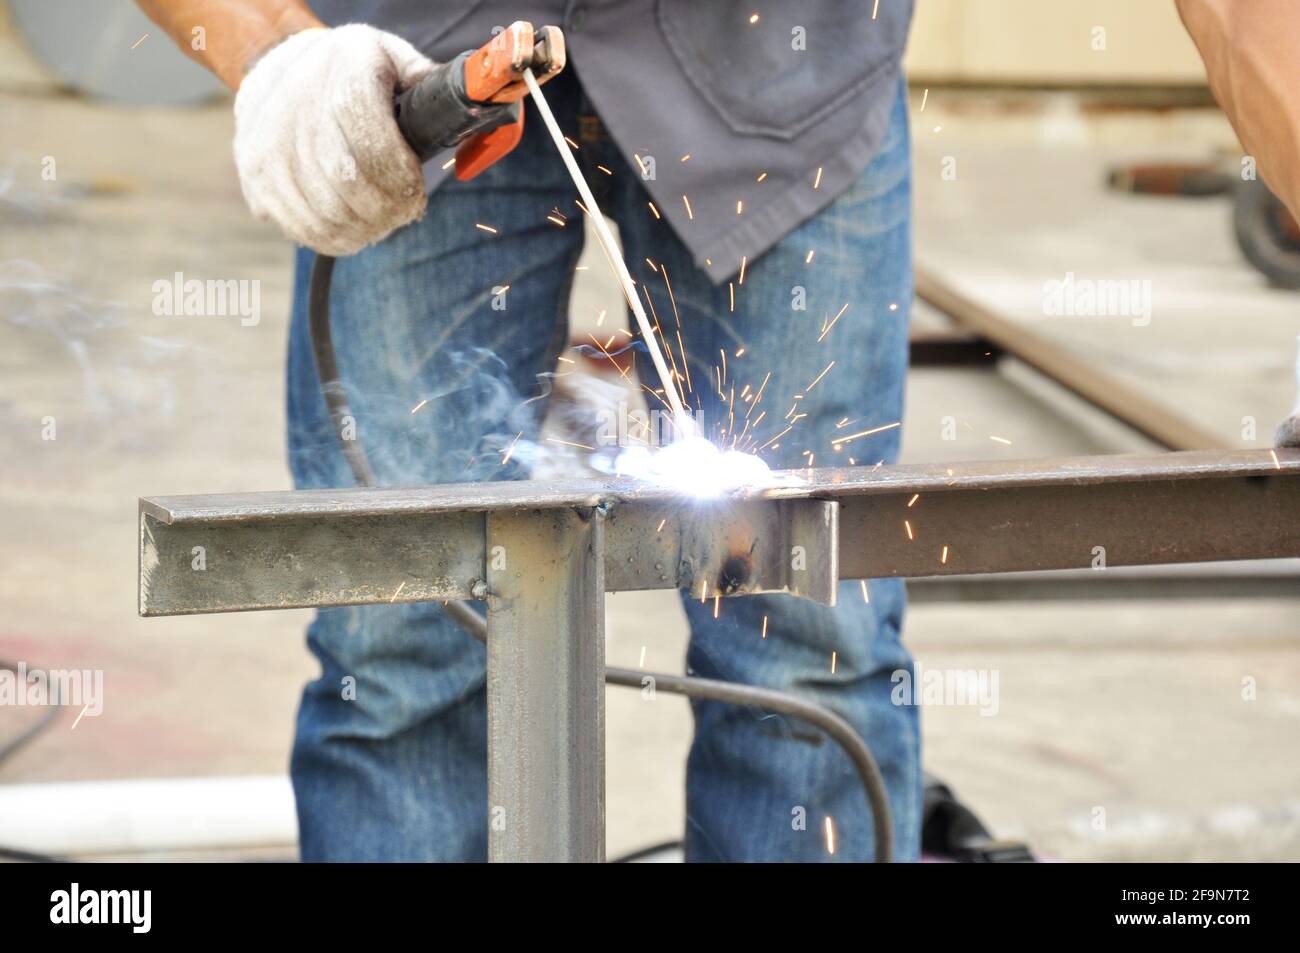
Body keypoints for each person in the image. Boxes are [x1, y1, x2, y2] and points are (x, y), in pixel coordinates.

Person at [138, 0, 1299, 861]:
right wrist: (269, 53)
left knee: (807, 629)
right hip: (411, 61)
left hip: (782, 69)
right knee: (399, 638)